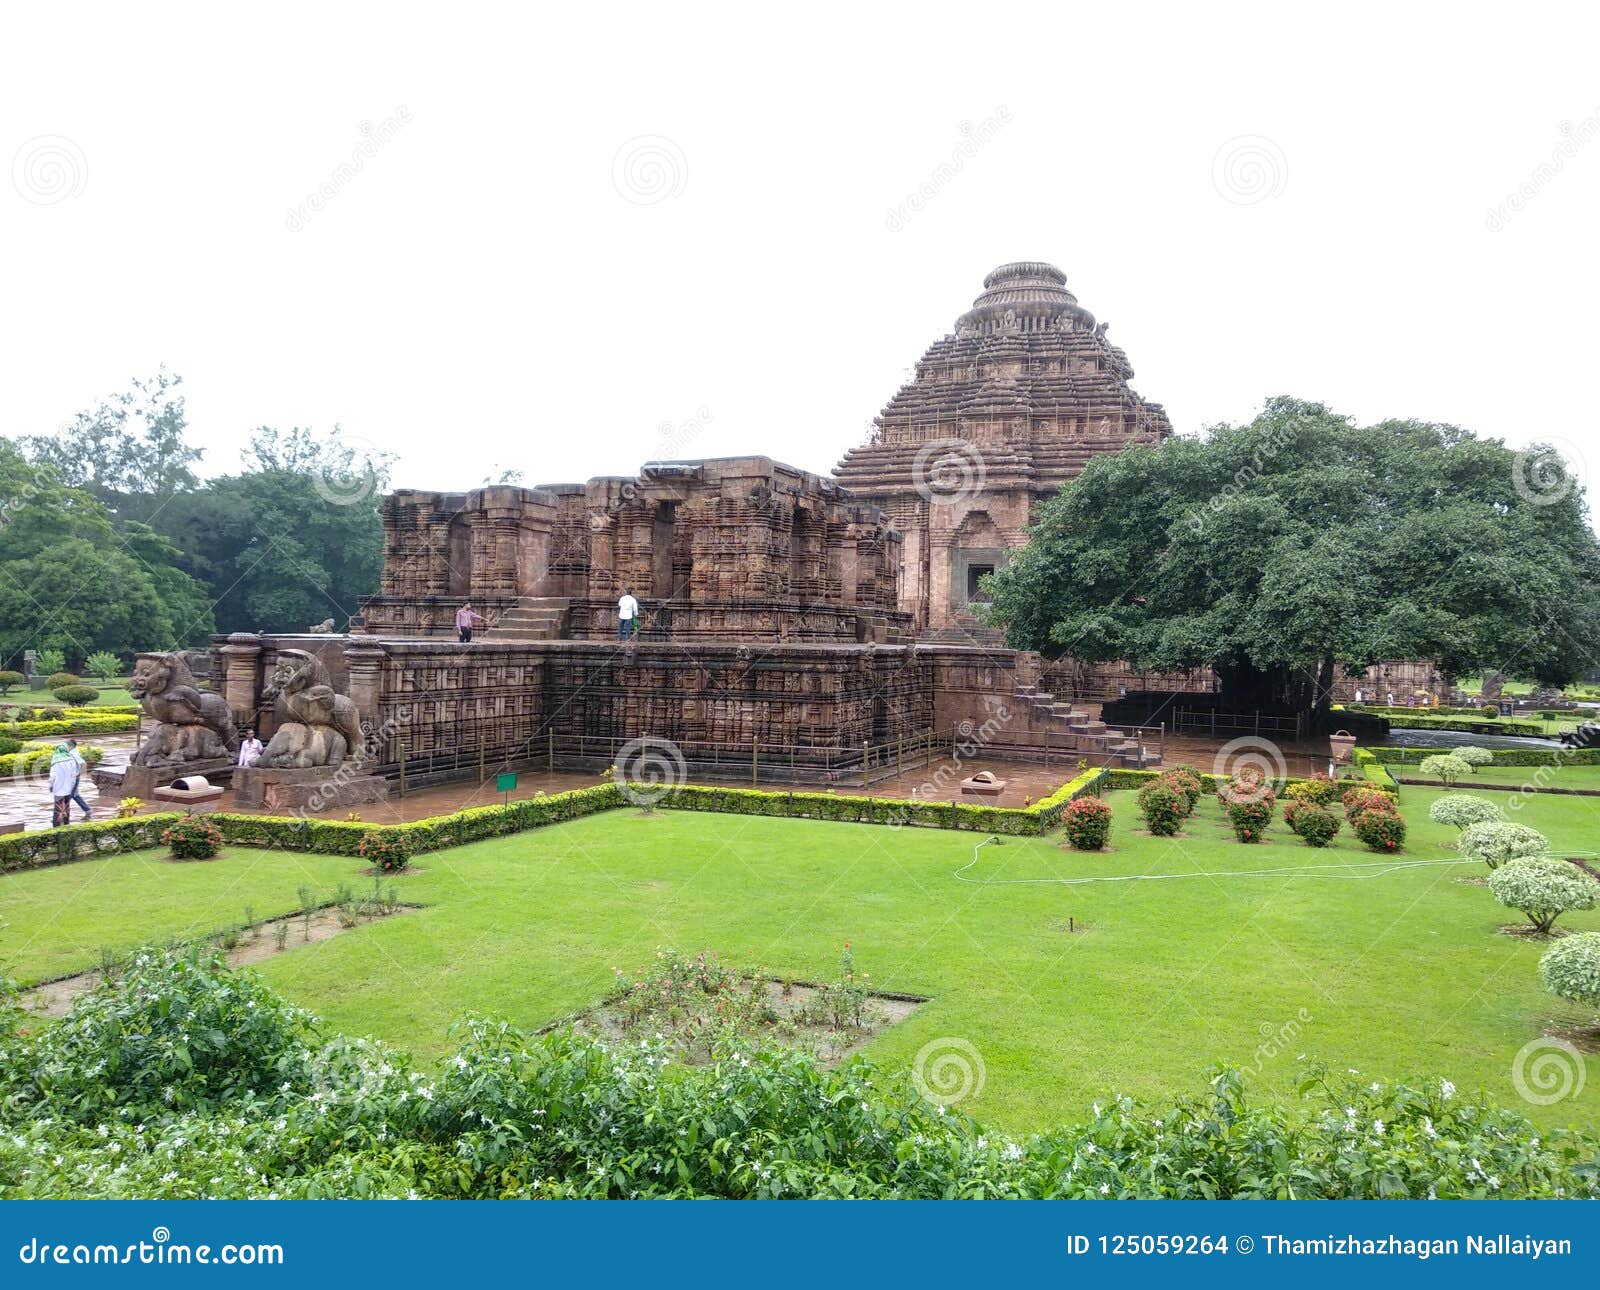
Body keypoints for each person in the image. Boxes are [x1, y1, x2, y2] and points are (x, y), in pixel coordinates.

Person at [48, 742, 78, 827]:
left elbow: (52, 776)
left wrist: (50, 786)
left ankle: (56, 824)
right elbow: (74, 775)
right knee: (67, 806)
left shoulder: (55, 759)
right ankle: (66, 822)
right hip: (68, 788)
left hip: (58, 789)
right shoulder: (71, 759)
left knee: (58, 807)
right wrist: (72, 786)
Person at [63, 738, 92, 819]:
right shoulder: (72, 752)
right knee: (74, 795)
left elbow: (83, 763)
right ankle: (87, 810)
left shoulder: (73, 753)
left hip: (73, 778)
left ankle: (63, 815)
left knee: (71, 795)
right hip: (71, 777)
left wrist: (79, 774)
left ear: (71, 746)